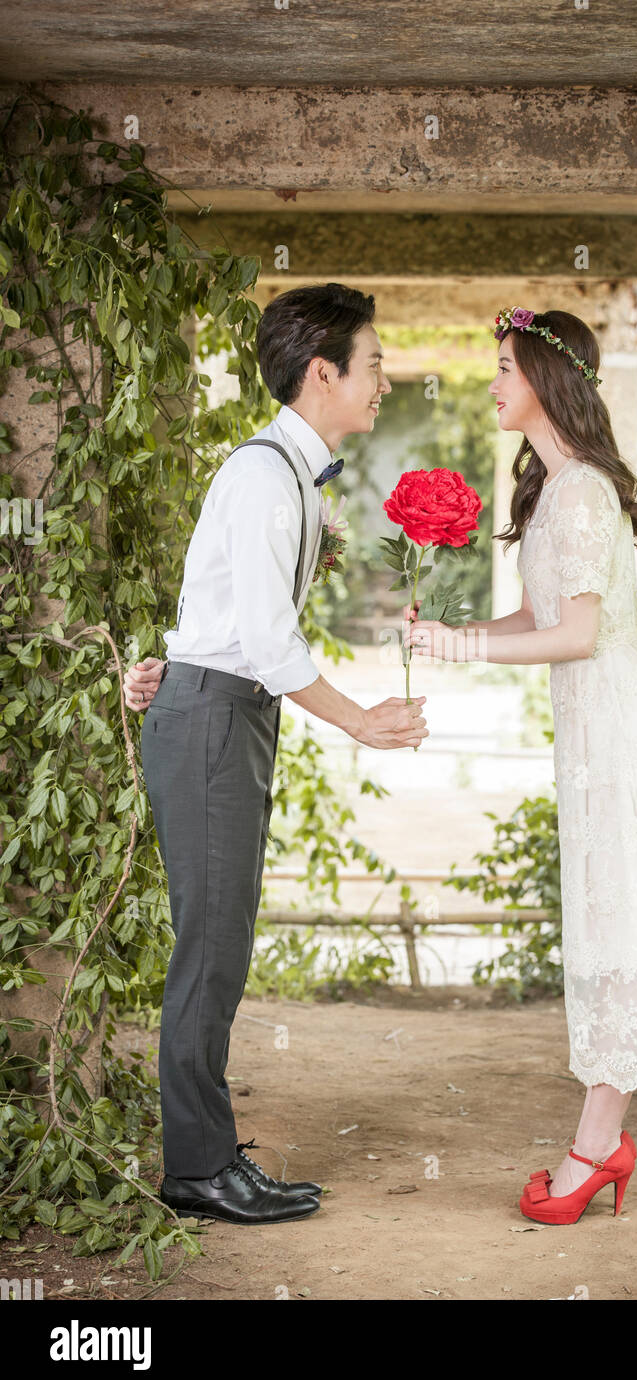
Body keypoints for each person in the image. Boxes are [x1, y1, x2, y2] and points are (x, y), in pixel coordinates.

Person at [124, 283, 429, 1225]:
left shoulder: (292, 476)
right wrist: (358, 719)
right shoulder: (263, 477)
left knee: (222, 943)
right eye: (373, 365)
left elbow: (216, 611)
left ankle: (207, 1156)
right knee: (209, 953)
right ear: (322, 372)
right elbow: (261, 637)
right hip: (217, 717)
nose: (384, 382)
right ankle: (198, 1171)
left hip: (222, 711)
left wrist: (168, 663)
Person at [406, 306, 637, 1225]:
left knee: (615, 926)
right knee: (603, 921)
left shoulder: (580, 491)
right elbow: (542, 617)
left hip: (624, 734)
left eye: (505, 365)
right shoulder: (554, 486)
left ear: (546, 376)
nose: (494, 382)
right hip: (600, 735)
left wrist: (468, 654)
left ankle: (595, 1152)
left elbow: (576, 636)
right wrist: (453, 637)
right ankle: (601, 1142)